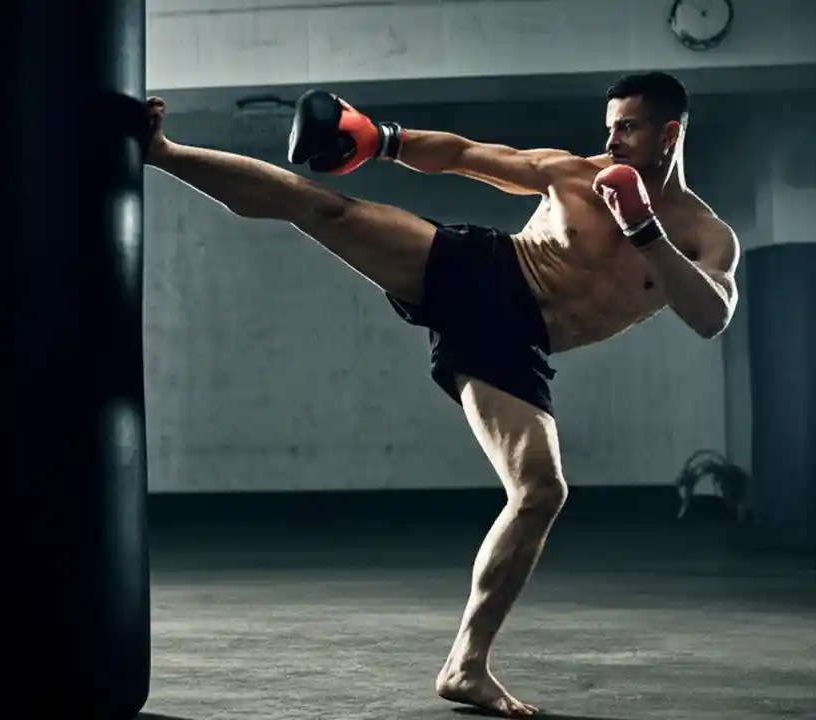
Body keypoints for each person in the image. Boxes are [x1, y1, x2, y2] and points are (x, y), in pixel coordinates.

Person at [143, 71, 740, 718]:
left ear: (669, 133)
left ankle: (466, 667)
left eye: (627, 127)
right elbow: (464, 155)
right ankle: (162, 153)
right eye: (609, 126)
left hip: (515, 341)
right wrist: (383, 140)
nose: (612, 140)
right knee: (326, 209)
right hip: (485, 273)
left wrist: (644, 230)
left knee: (540, 492)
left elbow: (711, 315)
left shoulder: (703, 233)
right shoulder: (574, 174)